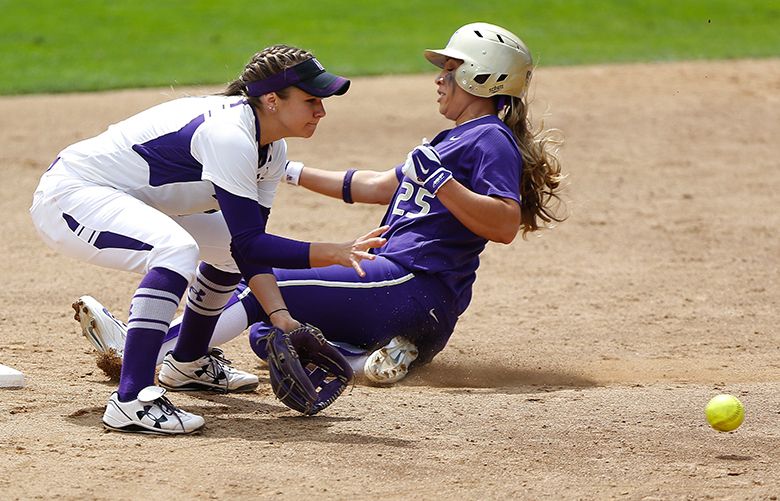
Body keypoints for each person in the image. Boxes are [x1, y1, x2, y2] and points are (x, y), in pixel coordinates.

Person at [76, 22, 566, 387]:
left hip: (408, 283)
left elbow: (503, 223)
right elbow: (375, 186)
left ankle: (151, 348)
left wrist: (441, 185)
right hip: (412, 308)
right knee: (270, 336)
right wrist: (289, 172)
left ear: (483, 78)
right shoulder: (458, 140)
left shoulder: (490, 140)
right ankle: (368, 360)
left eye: (451, 70)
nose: (439, 79)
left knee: (264, 288)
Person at [31, 44, 387, 435]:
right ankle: (131, 400)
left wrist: (280, 317)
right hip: (72, 198)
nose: (321, 110)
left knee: (225, 254)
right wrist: (331, 253)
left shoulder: (270, 148)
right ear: (271, 100)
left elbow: (245, 247)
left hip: (123, 198)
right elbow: (252, 243)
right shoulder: (229, 135)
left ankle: (187, 361)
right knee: (175, 250)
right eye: (311, 100)